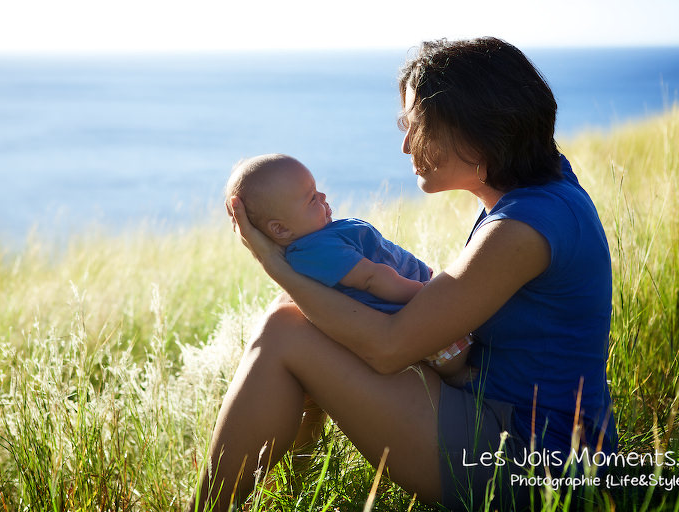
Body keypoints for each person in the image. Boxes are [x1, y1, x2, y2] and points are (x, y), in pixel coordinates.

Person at [189, 36, 616, 511]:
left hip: (534, 464)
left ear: (473, 127)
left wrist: (274, 264)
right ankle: (290, 496)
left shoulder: (523, 227)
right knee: (298, 317)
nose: (406, 143)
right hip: (504, 418)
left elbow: (390, 347)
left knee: (286, 329)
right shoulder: (541, 190)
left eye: (417, 125)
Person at [224, 153, 473, 374]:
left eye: (317, 190)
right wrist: (425, 293)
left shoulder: (322, 238)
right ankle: (457, 376)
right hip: (416, 316)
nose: (322, 196)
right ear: (280, 229)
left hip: (416, 311)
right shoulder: (316, 250)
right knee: (459, 363)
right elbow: (372, 278)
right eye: (311, 199)